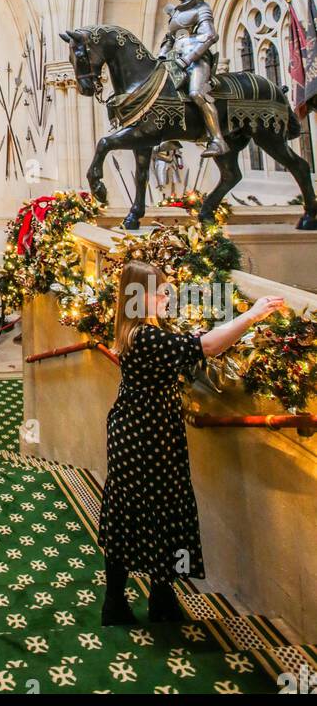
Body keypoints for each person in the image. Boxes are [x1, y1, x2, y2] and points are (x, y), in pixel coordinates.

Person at [98, 260, 283, 625]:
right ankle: (152, 603)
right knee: (163, 511)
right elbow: (209, 347)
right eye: (159, 291)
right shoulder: (147, 337)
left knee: (130, 510)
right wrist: (253, 314)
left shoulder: (136, 329)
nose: (168, 295)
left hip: (136, 431)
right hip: (149, 437)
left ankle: (125, 602)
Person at [158, 0, 227, 157]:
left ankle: (217, 140)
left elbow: (210, 36)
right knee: (161, 93)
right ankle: (168, 136)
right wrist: (161, 56)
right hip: (174, 60)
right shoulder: (176, 13)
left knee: (197, 93)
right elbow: (170, 39)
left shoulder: (201, 8)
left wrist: (188, 59)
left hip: (197, 59)